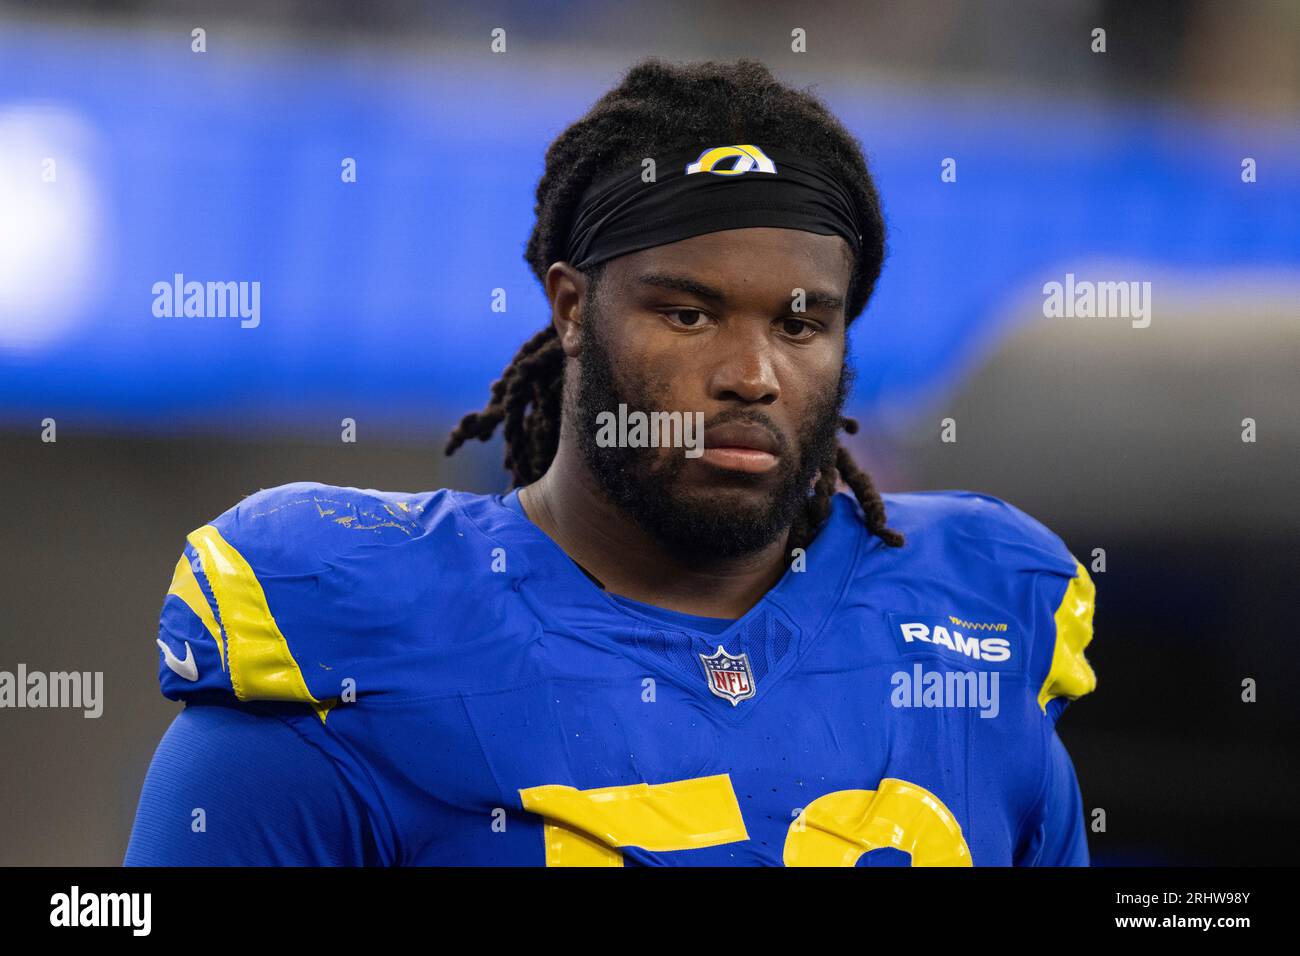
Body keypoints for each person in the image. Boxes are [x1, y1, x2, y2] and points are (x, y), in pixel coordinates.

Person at [125, 58, 1095, 866]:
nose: (751, 374)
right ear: (571, 306)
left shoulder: (970, 633)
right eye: (689, 312)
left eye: (802, 322)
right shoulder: (353, 638)